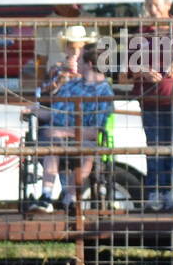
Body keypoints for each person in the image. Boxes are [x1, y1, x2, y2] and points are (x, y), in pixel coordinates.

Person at [25, 26, 114, 213]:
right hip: (57, 136)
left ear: (89, 64)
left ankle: (72, 198)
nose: (75, 59)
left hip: (81, 138)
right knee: (53, 144)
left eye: (80, 58)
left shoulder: (104, 92)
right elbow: (54, 112)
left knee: (87, 151)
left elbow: (95, 131)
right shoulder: (69, 83)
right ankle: (46, 197)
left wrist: (63, 131)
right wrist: (34, 110)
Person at [132, 0, 173, 211]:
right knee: (154, 146)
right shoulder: (142, 31)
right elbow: (130, 66)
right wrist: (144, 71)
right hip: (150, 98)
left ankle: (170, 192)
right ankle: (154, 193)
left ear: (168, 5)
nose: (153, 10)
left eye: (156, 5)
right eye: (149, 5)